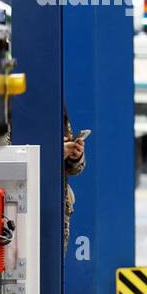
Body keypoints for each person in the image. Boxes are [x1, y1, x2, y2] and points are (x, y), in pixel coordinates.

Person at [63, 109, 86, 254]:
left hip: (58, 210)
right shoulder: (8, 108)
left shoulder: (60, 109)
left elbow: (73, 170)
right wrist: (54, 154)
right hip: (24, 208)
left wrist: (75, 156)